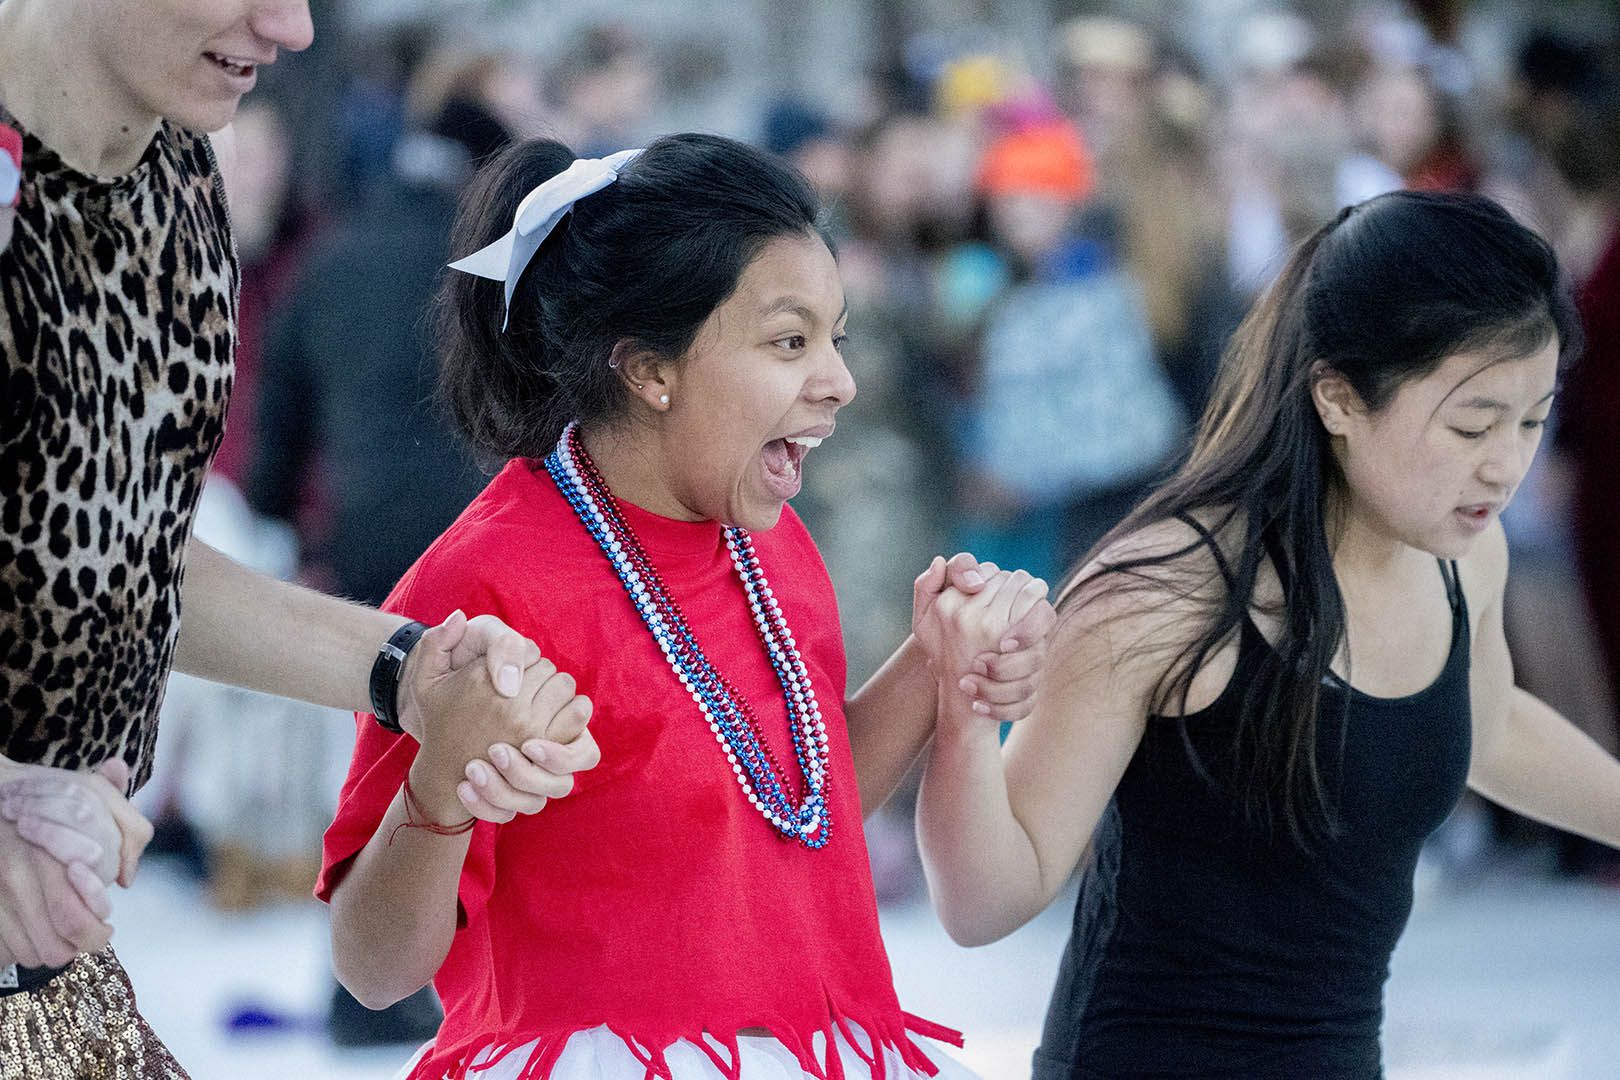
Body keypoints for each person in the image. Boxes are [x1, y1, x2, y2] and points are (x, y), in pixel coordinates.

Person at [320, 133, 1055, 1080]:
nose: (840, 381)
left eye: (838, 337)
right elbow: (372, 967)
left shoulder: (770, 542)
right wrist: (444, 780)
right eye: (790, 342)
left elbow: (790, 819)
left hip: (821, 1048)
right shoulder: (487, 584)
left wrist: (934, 662)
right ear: (649, 368)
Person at [0, 2, 588, 1073]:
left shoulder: (170, 188)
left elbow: (119, 554)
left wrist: (403, 670)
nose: (292, 27)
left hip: (48, 968)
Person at [914, 190, 1620, 1078]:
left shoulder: (1462, 558)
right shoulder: (1163, 597)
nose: (1505, 465)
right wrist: (966, 713)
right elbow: (987, 899)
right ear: (1337, 398)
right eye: (1471, 424)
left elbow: (1488, 724)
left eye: (1530, 421)